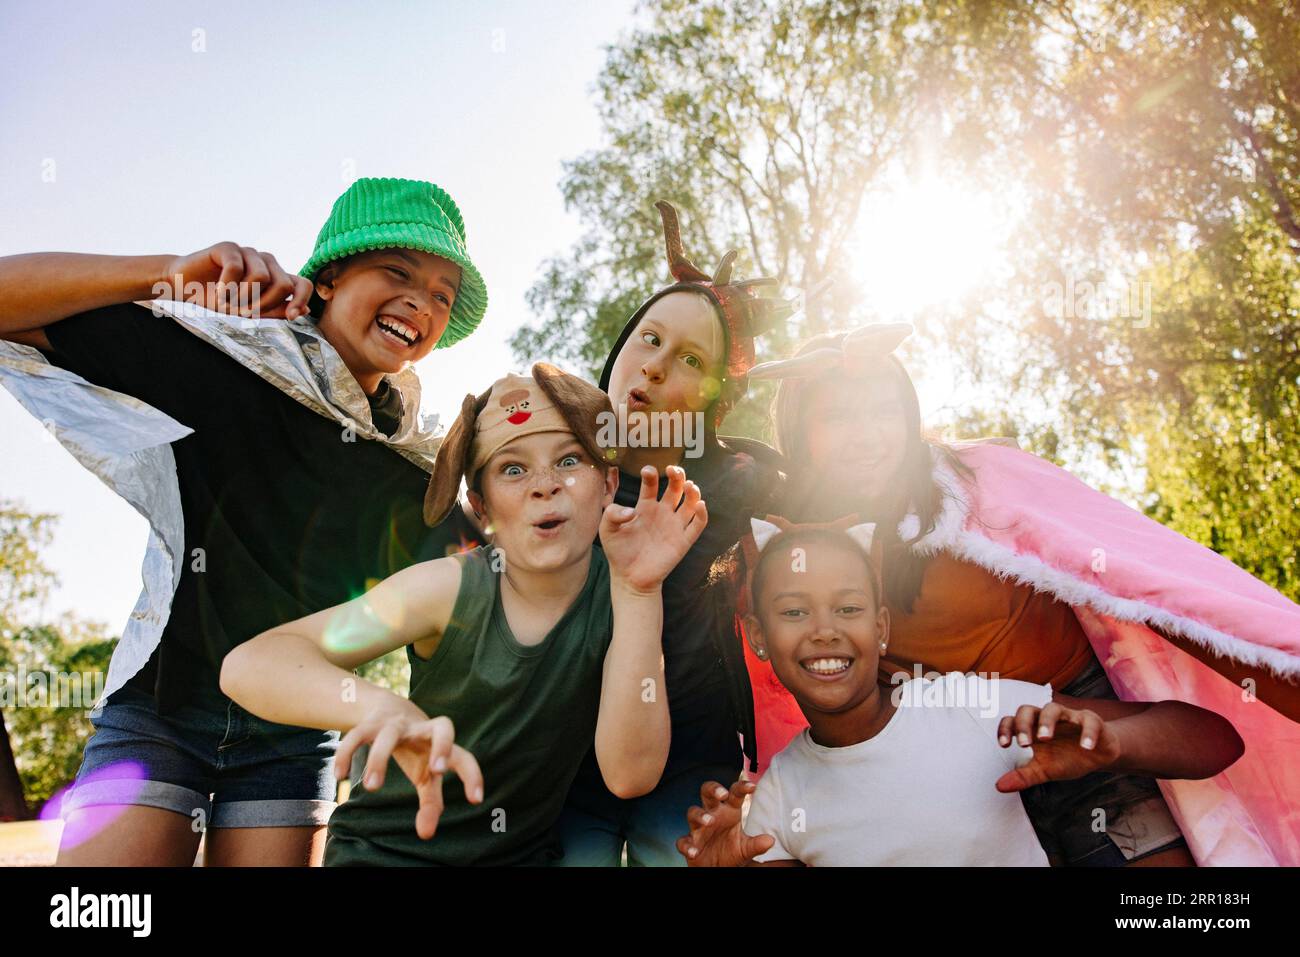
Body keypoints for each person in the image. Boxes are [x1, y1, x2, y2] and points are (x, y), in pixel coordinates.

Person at [0, 176, 488, 865]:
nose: (422, 301)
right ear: (328, 278)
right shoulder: (221, 362)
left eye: (442, 293)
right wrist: (166, 276)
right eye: (397, 271)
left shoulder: (414, 471)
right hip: (159, 711)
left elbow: (498, 601)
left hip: (294, 739)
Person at [716, 323, 1300, 866]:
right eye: (839, 417)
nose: (866, 436)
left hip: (1078, 720)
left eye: (883, 412)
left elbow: (1144, 576)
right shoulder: (799, 541)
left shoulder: (973, 482)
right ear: (800, 431)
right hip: (951, 758)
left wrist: (1266, 666)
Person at [222, 364, 708, 865]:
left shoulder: (625, 588)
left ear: (607, 484)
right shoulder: (448, 588)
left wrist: (638, 592)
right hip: (384, 855)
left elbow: (630, 774)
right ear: (480, 505)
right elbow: (252, 663)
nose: (545, 485)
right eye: (513, 469)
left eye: (569, 460)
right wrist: (382, 708)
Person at [678, 517, 1245, 866]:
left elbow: (1216, 740)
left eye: (848, 608)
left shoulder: (966, 706)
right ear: (757, 638)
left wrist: (1116, 744)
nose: (825, 628)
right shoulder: (776, 797)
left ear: (880, 629)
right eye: (795, 610)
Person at [557, 202, 788, 866]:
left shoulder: (742, 477)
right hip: (569, 763)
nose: (657, 367)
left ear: (716, 397)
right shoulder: (559, 458)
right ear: (620, 351)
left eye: (690, 359)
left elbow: (855, 485)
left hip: (693, 759)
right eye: (650, 340)